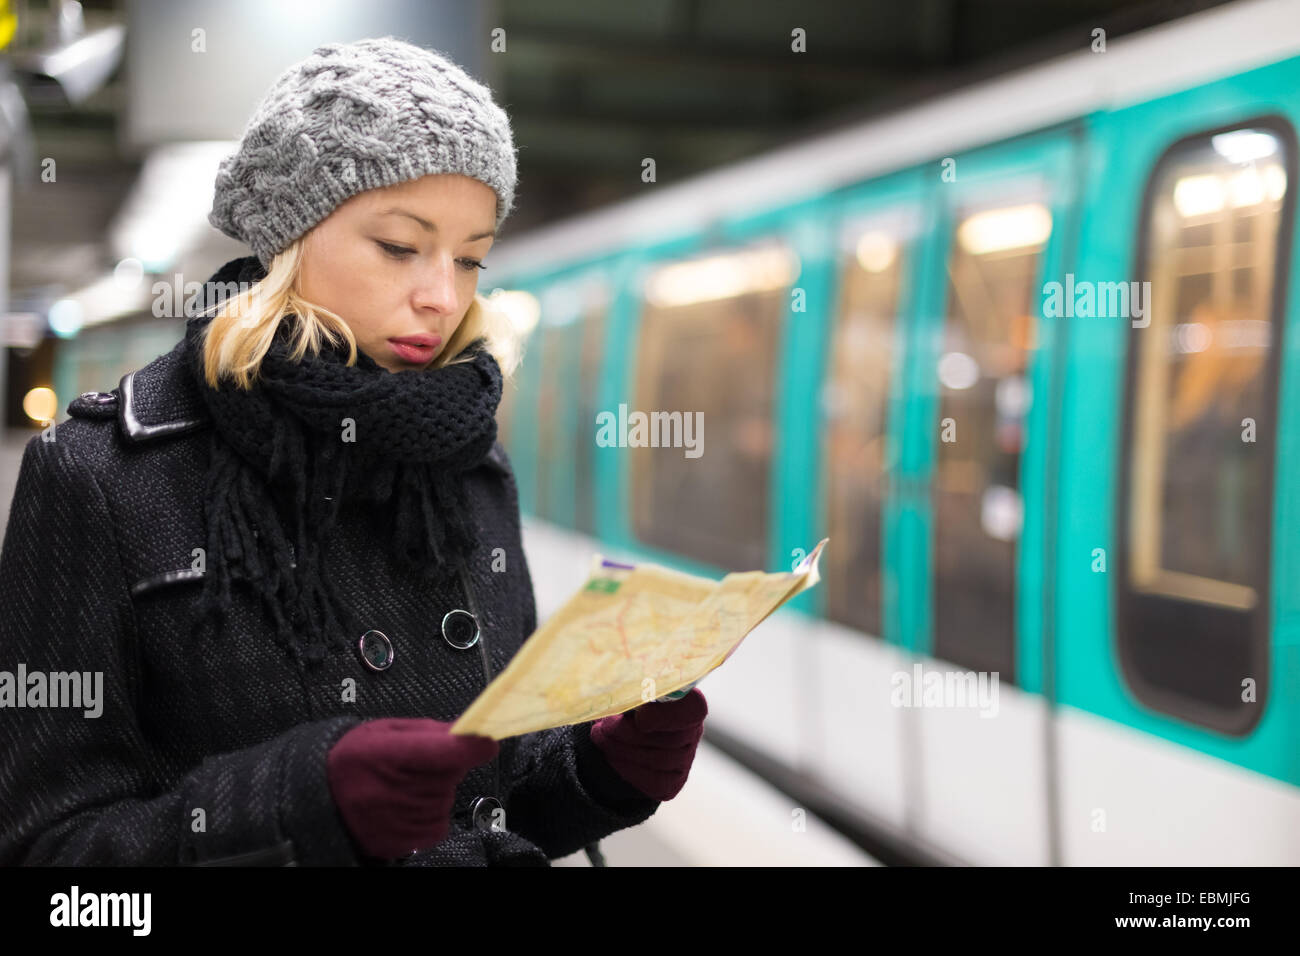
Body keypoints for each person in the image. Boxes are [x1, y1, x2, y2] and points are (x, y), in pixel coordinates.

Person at [0, 36, 707, 866]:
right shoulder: (100, 475)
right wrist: (296, 809)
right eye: (400, 247)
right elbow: (51, 863)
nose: (442, 296)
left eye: (472, 259)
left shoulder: (470, 462)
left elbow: (494, 796)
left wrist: (595, 769)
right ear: (290, 238)